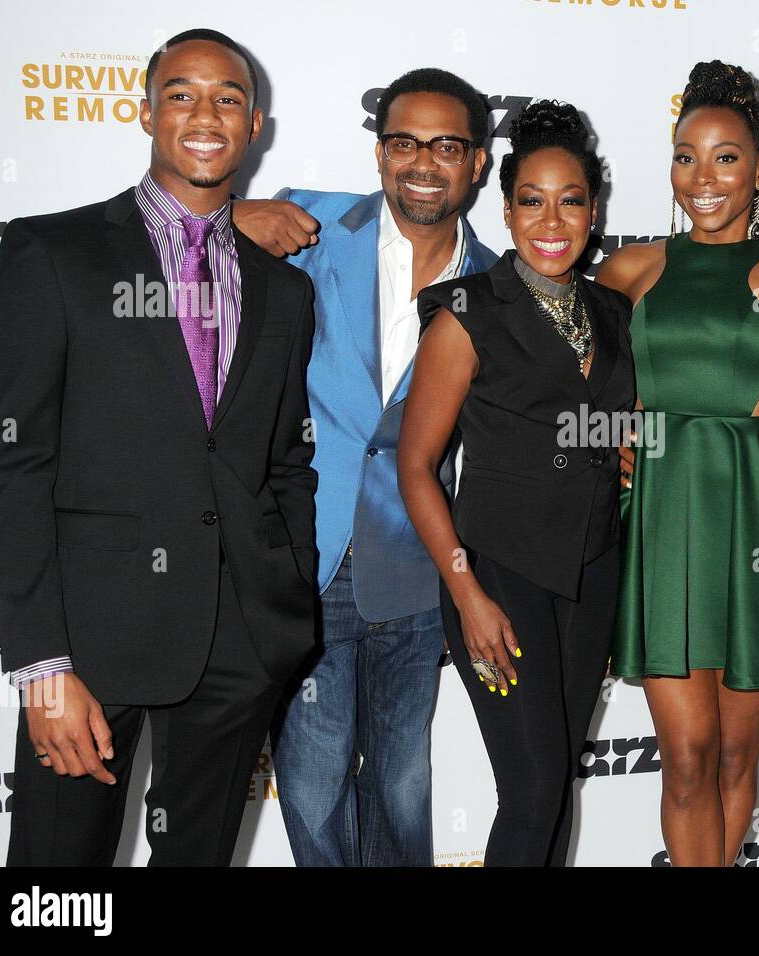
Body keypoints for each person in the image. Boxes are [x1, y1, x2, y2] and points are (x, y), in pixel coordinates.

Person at [0, 29, 317, 865]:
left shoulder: (284, 287)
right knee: (56, 887)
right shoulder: (53, 253)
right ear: (145, 112)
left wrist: (283, 612)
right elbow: (19, 464)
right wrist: (41, 665)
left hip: (237, 640)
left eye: (228, 98)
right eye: (182, 93)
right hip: (88, 646)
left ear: (256, 124)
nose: (206, 113)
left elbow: (283, 463)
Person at [231, 68, 497, 867]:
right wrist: (228, 215)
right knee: (312, 788)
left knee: (402, 782)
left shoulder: (497, 289)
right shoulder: (307, 224)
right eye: (404, 143)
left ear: (477, 162)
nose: (423, 162)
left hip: (417, 565)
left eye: (446, 145)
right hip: (301, 554)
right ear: (380, 154)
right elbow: (172, 245)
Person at [598, 61, 759, 867]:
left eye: (726, 156)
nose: (702, 178)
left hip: (754, 531)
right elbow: (570, 399)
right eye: (684, 155)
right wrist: (609, 434)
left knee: (739, 759)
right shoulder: (629, 273)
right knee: (689, 757)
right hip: (661, 530)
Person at [399, 101, 635, 866]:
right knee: (531, 788)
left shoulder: (614, 311)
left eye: (570, 200)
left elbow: (601, 418)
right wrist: (467, 594)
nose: (552, 218)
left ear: (594, 209)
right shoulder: (466, 314)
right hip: (498, 574)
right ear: (505, 210)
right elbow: (416, 466)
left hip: (592, 573)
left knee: (556, 783)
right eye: (532, 200)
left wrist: (626, 442)